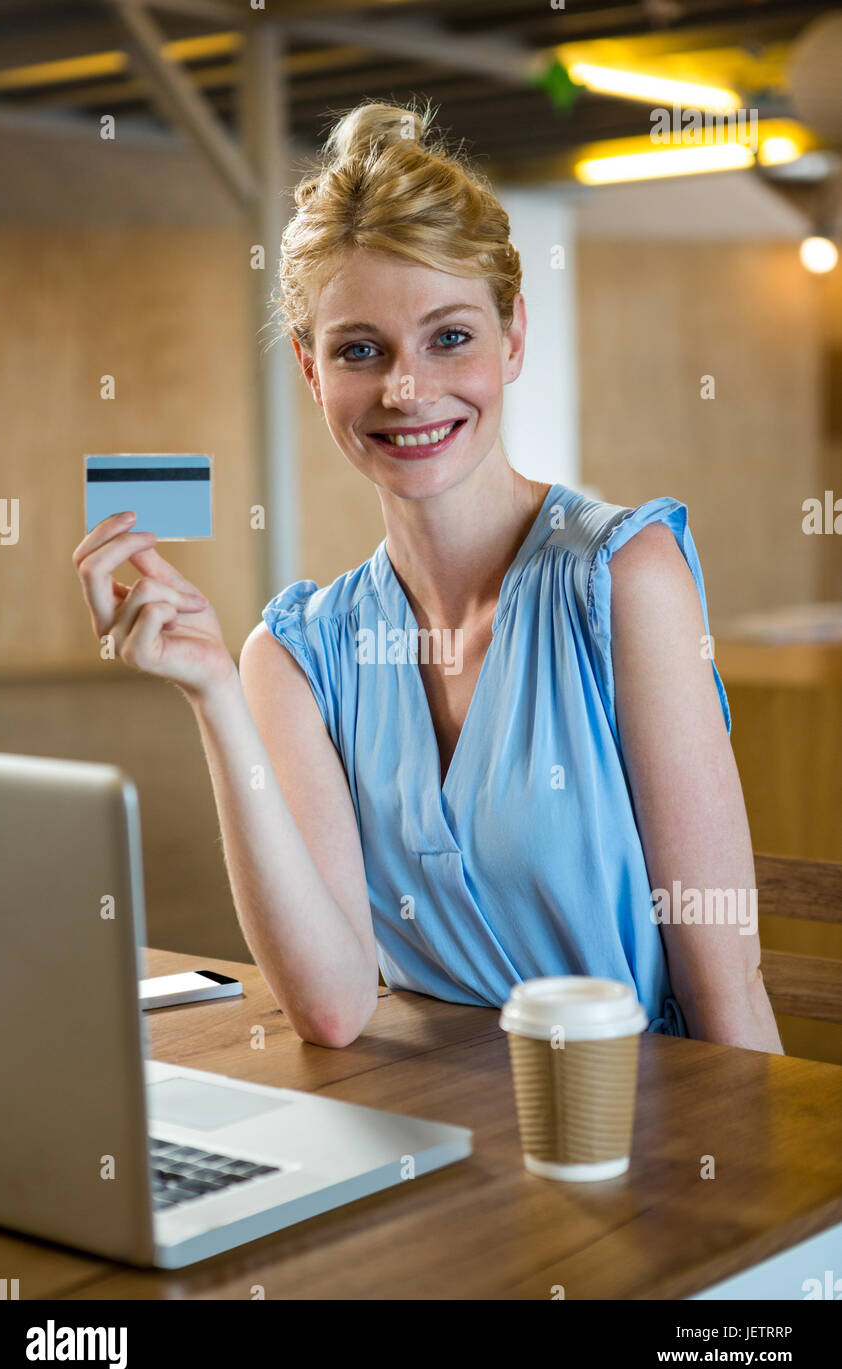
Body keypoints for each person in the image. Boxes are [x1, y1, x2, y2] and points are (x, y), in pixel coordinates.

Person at [73, 98, 783, 1054]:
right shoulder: (295, 655)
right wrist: (211, 692)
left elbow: (727, 988)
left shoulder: (623, 579)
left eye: (450, 336)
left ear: (513, 337)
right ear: (310, 370)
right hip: (434, 1144)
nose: (406, 390)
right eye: (359, 350)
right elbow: (331, 1006)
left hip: (634, 1138)